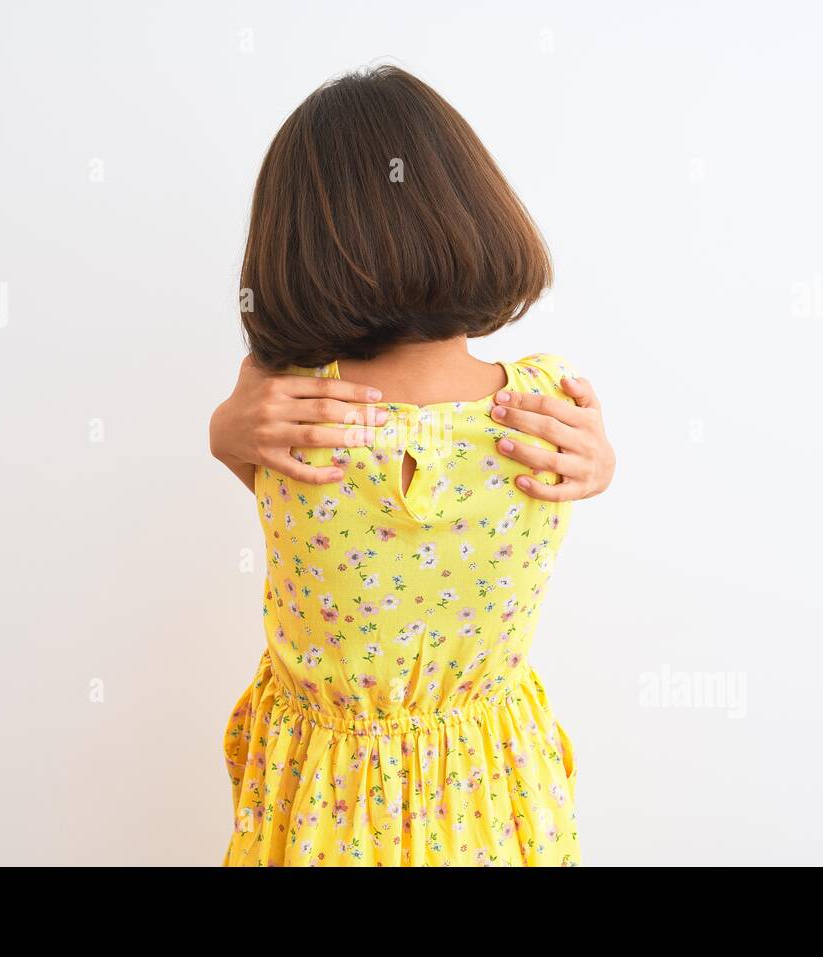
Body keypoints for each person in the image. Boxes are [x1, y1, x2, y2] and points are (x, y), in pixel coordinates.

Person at [211, 65, 614, 866]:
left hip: (330, 814)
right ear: (473, 213)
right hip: (498, 802)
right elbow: (581, 470)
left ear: (297, 246)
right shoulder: (549, 411)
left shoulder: (286, 417)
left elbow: (248, 456)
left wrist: (225, 428)